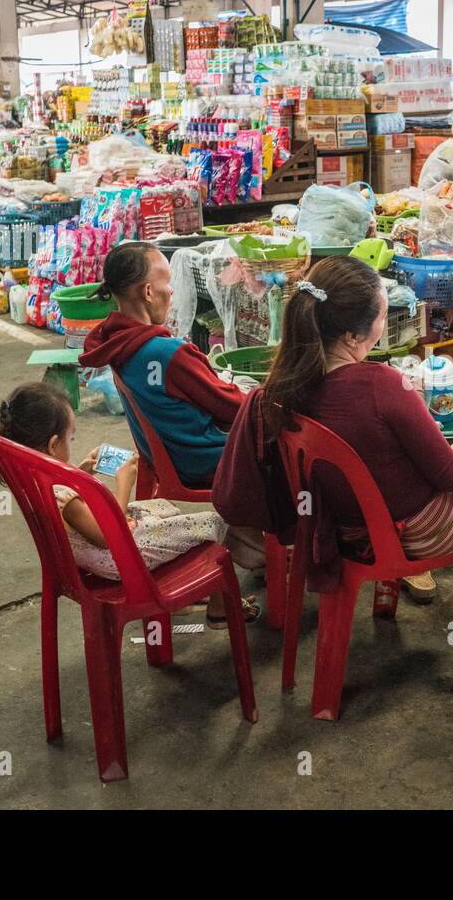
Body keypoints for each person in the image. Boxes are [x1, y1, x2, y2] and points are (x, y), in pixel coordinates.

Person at [214, 256, 453, 629]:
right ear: (354, 335)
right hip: (406, 533)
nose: (384, 324)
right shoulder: (381, 383)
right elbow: (450, 476)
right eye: (383, 315)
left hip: (337, 530)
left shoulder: (283, 386)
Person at [79, 241, 265, 625]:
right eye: (166, 282)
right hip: (204, 458)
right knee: (290, 435)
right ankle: (273, 552)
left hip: (168, 456)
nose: (172, 291)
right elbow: (233, 407)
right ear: (148, 292)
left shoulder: (115, 341)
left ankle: (254, 546)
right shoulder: (165, 353)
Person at [0, 383, 260, 620]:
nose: (72, 442)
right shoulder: (66, 499)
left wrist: (81, 473)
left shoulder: (30, 476)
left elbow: (69, 507)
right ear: (53, 446)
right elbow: (108, 537)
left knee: (164, 508)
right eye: (71, 437)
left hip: (90, 556)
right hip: (119, 560)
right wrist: (124, 484)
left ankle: (189, 593)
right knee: (211, 522)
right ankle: (220, 607)